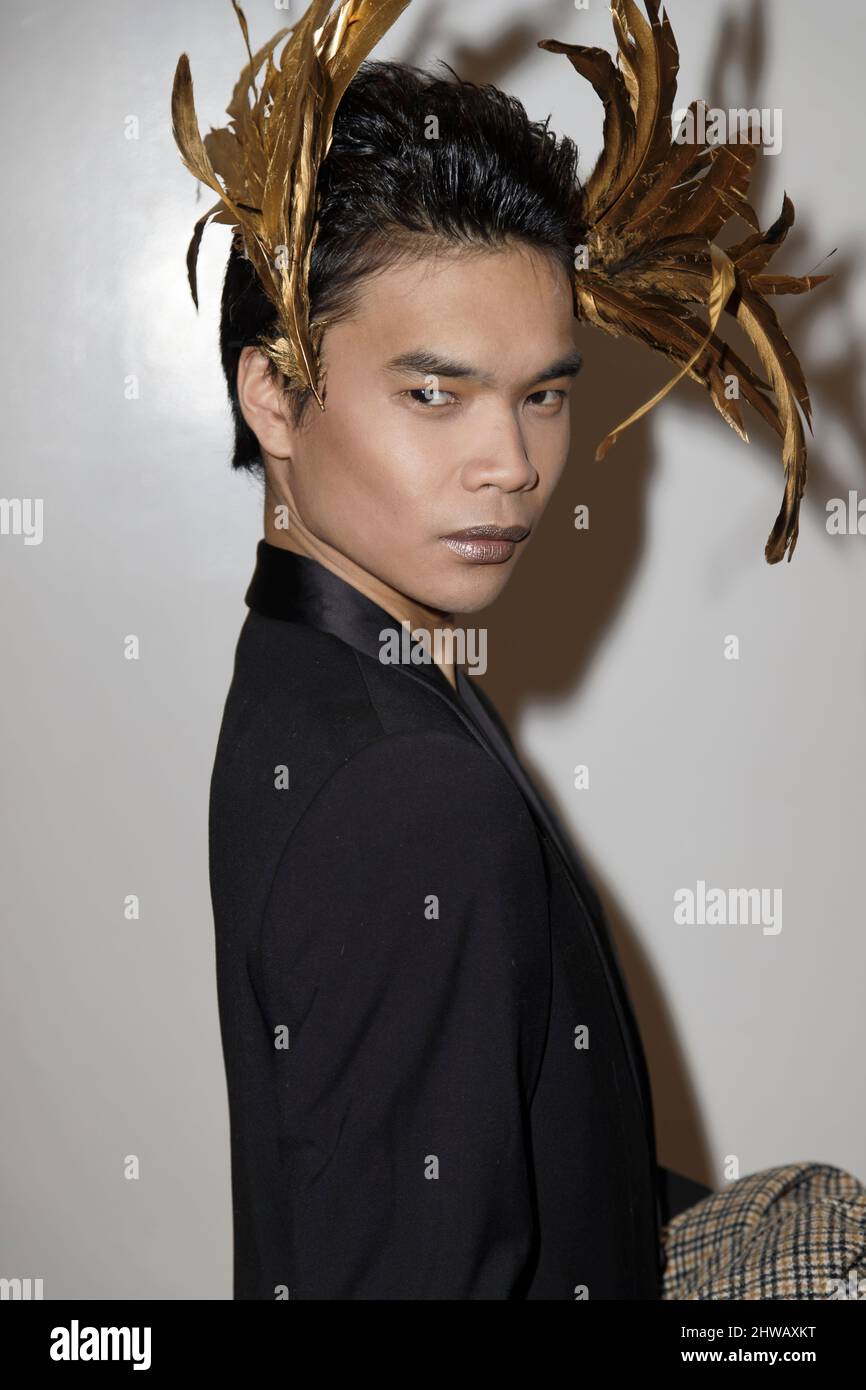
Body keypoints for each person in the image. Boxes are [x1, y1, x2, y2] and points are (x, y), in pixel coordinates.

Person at [173, 0, 826, 1299]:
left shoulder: (320, 678)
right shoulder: (405, 793)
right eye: (435, 391)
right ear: (272, 393)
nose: (513, 464)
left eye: (542, 391)